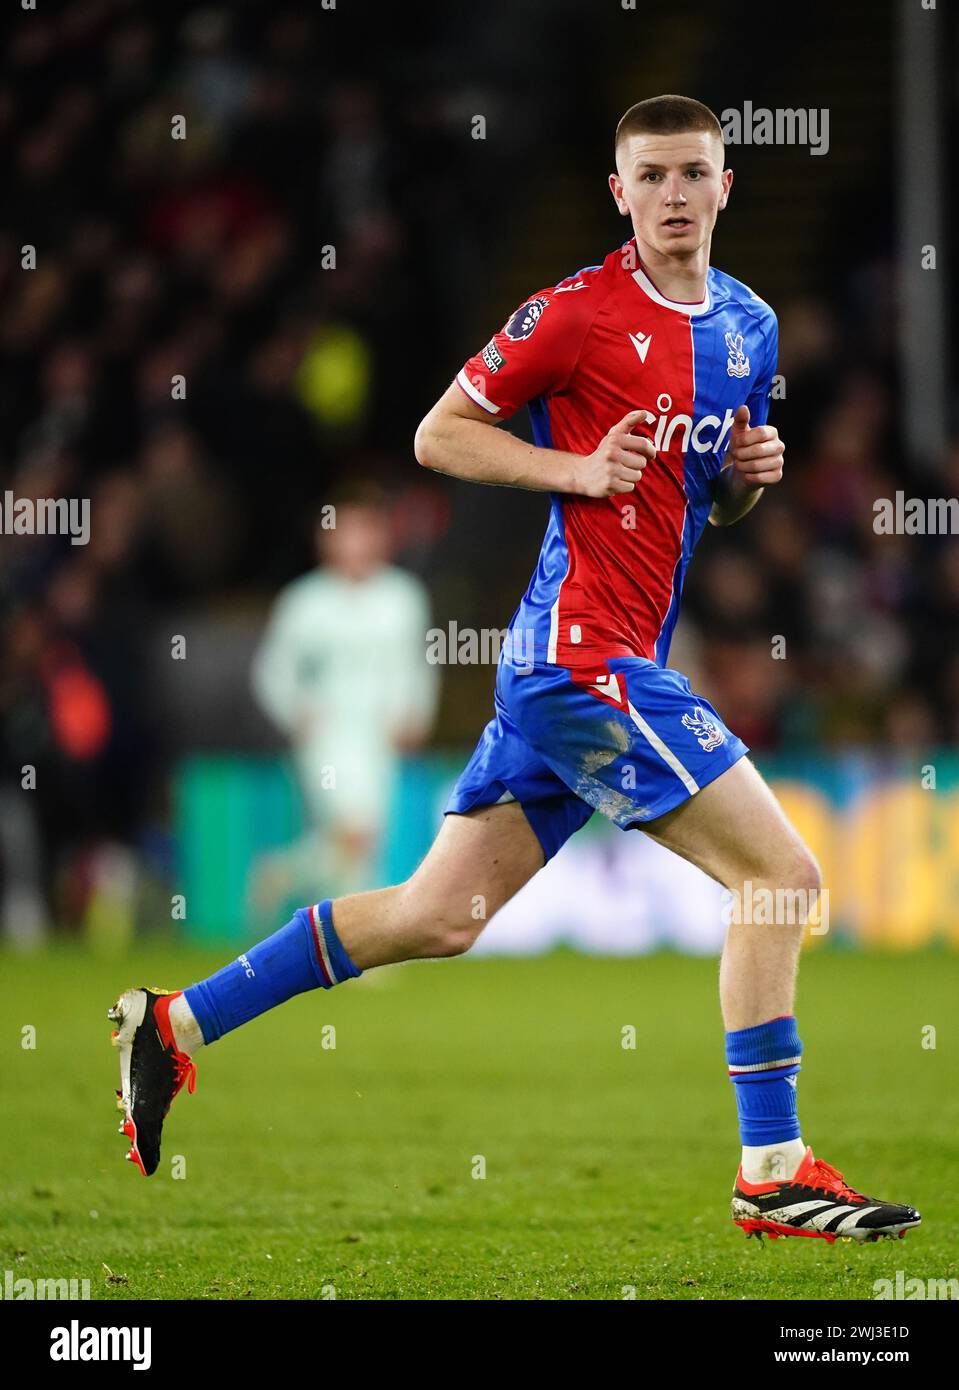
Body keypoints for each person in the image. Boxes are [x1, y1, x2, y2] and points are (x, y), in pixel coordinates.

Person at [108, 95, 920, 1244]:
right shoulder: (576, 315)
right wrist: (575, 471)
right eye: (654, 177)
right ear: (619, 193)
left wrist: (749, 472)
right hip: (576, 661)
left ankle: (174, 1021)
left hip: (594, 664)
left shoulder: (747, 326)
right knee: (780, 879)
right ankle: (770, 1169)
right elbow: (440, 433)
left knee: (436, 919)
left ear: (727, 185)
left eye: (695, 173)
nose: (676, 196)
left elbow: (711, 500)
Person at [249, 487, 438, 906]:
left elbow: (418, 665)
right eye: (344, 533)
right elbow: (272, 672)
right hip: (328, 737)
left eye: (363, 532)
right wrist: (297, 714)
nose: (355, 544)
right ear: (327, 540)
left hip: (378, 736)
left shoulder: (402, 597)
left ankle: (285, 875)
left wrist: (414, 716)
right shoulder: (304, 602)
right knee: (354, 831)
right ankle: (358, 944)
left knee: (363, 840)